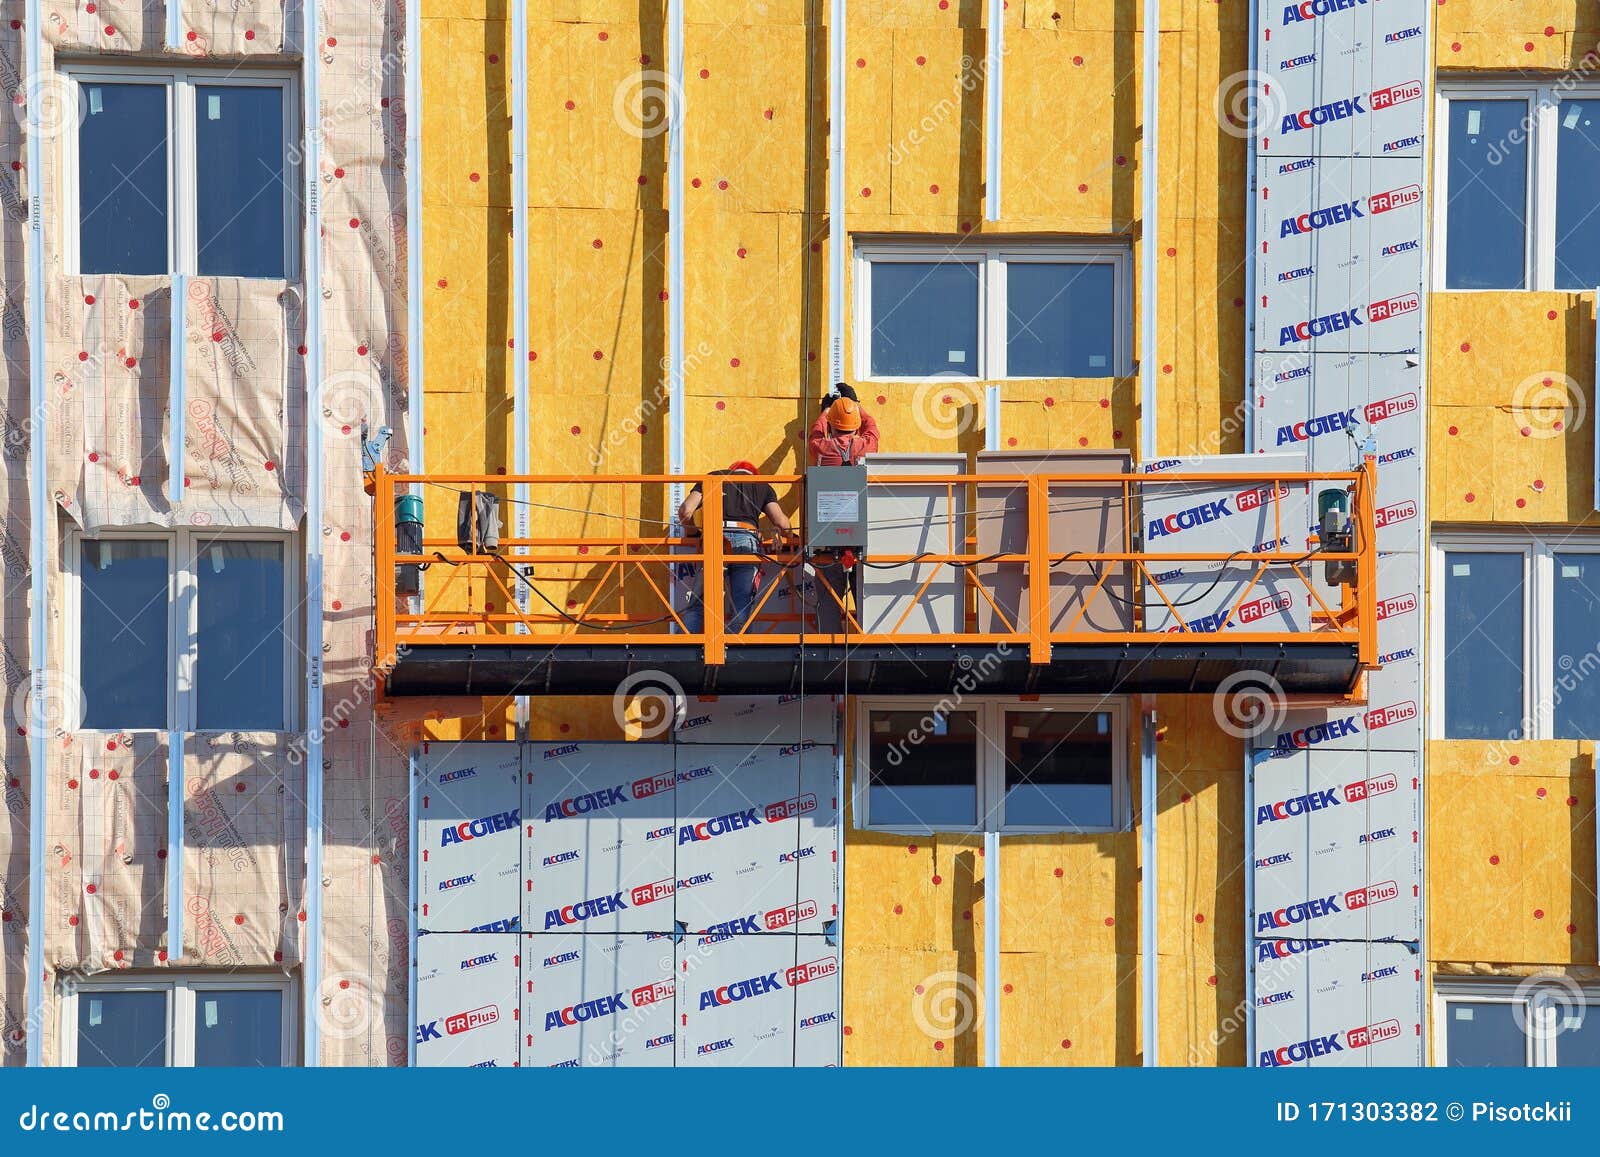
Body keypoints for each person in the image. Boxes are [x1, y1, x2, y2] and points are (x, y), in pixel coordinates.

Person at [676, 460, 793, 633]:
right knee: (742, 604)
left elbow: (686, 510)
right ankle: (738, 649)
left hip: (715, 539)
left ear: (732, 470)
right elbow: (782, 523)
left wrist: (692, 532)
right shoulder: (761, 486)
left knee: (698, 603)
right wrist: (790, 537)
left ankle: (683, 649)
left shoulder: (713, 478)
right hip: (747, 542)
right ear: (753, 474)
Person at [807, 384, 879, 632]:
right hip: (860, 537)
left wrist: (826, 411)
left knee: (828, 595)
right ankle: (866, 634)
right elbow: (873, 429)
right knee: (863, 590)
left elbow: (815, 435)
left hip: (827, 538)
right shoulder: (864, 445)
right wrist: (855, 404)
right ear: (856, 424)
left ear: (832, 425)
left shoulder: (822, 448)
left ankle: (828, 641)